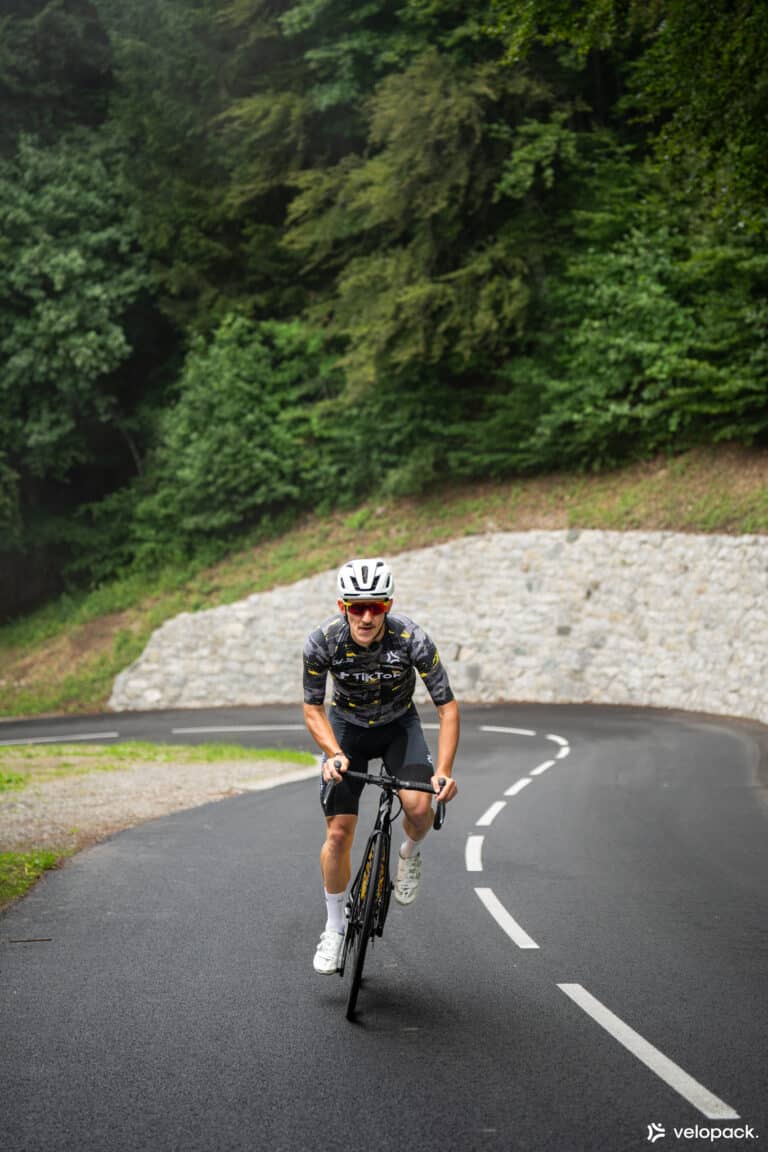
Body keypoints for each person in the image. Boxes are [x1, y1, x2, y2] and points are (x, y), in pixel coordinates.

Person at [303, 556, 460, 975]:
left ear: (388, 605)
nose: (367, 616)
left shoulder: (413, 638)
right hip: (346, 729)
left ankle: (409, 853)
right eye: (357, 607)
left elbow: (447, 708)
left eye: (376, 606)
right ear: (343, 607)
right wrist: (333, 753)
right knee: (338, 831)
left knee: (420, 807)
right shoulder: (322, 642)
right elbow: (313, 708)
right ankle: (335, 928)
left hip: (398, 726)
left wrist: (443, 770)